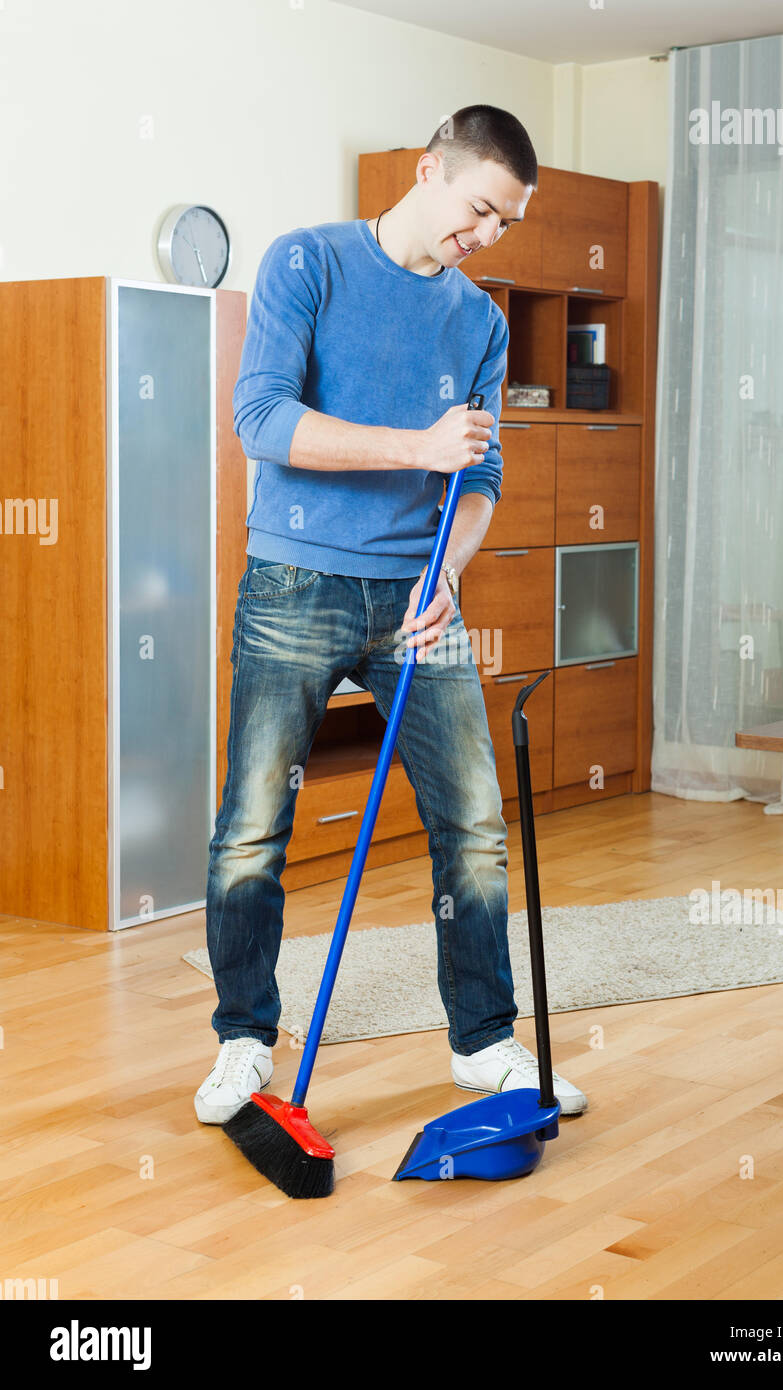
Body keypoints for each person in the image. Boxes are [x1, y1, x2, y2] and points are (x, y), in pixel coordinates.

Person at [195, 104, 587, 1124]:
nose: (486, 237)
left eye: (506, 224)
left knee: (475, 824)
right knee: (252, 826)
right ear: (426, 170)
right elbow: (263, 421)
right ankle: (244, 1041)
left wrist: (448, 570)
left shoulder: (481, 321)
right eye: (479, 210)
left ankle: (485, 1040)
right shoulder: (306, 263)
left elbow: (485, 470)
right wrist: (417, 447)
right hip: (295, 585)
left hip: (418, 598)